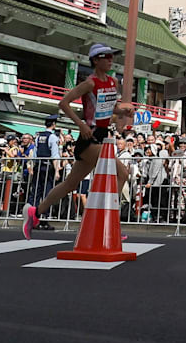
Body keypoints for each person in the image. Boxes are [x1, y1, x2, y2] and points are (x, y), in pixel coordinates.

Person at [22, 43, 134, 239]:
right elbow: (63, 103)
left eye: (112, 56)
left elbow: (109, 108)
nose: (111, 59)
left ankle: (35, 212)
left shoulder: (112, 82)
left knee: (70, 184)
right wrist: (80, 125)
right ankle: (106, 223)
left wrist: (123, 110)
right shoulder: (89, 83)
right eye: (106, 56)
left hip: (102, 135)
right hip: (89, 137)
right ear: (95, 60)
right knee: (122, 173)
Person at [28, 114, 62, 230]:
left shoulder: (38, 136)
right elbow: (55, 155)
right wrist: (57, 170)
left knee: (36, 193)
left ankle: (33, 219)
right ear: (54, 124)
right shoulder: (53, 137)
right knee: (47, 194)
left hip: (38, 167)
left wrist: (32, 166)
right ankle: (44, 218)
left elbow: (35, 153)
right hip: (47, 168)